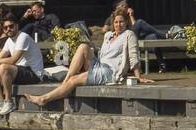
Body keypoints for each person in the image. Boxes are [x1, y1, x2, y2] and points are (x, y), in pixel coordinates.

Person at [22, 9, 153, 110]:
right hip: (100, 66)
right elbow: (102, 54)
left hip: (110, 72)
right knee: (83, 46)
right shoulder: (108, 35)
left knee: (74, 80)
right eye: (116, 22)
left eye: (122, 21)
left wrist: (139, 77)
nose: (119, 24)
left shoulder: (128, 35)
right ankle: (65, 83)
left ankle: (44, 99)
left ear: (126, 22)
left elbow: (133, 56)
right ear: (113, 23)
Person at [0, 14, 45, 115]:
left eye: (11, 26)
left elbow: (13, 60)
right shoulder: (9, 40)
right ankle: (0, 101)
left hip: (34, 74)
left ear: (17, 26)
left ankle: (9, 102)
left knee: (4, 67)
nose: (8, 29)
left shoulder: (23, 37)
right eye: (5, 27)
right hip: (21, 70)